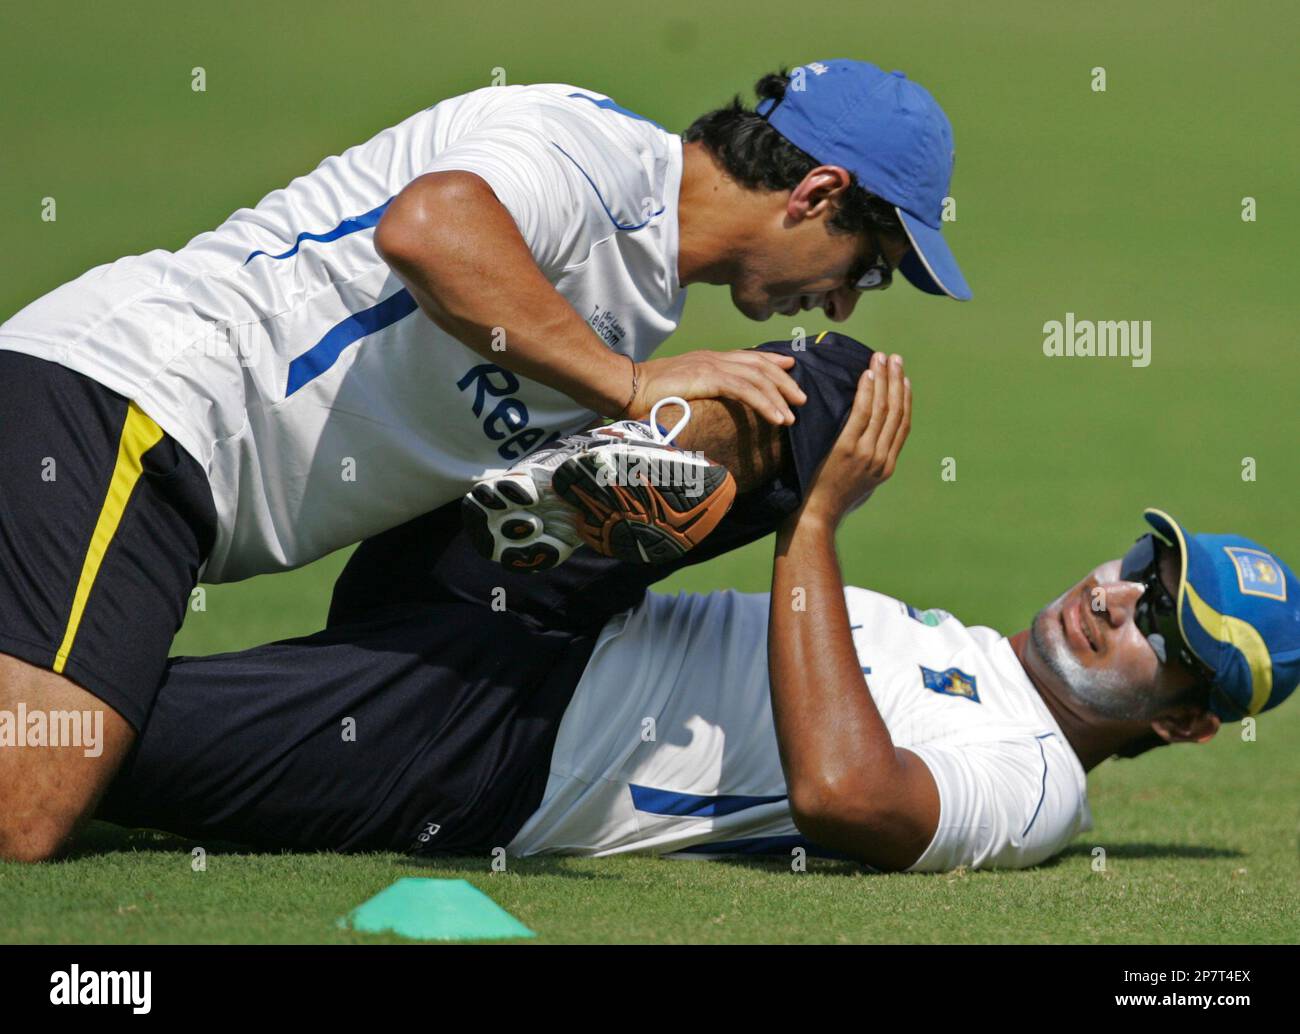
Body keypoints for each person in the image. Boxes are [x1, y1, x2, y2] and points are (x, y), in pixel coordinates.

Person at [0, 60, 969, 860]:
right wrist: (628, 390)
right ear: (817, 193)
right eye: (870, 264)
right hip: (134, 404)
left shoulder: (646, 301)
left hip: (165, 471)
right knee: (28, 801)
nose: (845, 303)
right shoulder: (591, 153)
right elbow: (429, 228)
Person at [84, 341, 1298, 872]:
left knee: (74, 733)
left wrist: (812, 521)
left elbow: (845, 797)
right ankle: (580, 481)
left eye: (1160, 624)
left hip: (486, 745)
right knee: (827, 383)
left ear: (1186, 723)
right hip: (533, 603)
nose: (1116, 593)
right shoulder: (966, 644)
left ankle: (580, 481)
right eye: (1145, 561)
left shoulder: (1037, 785)